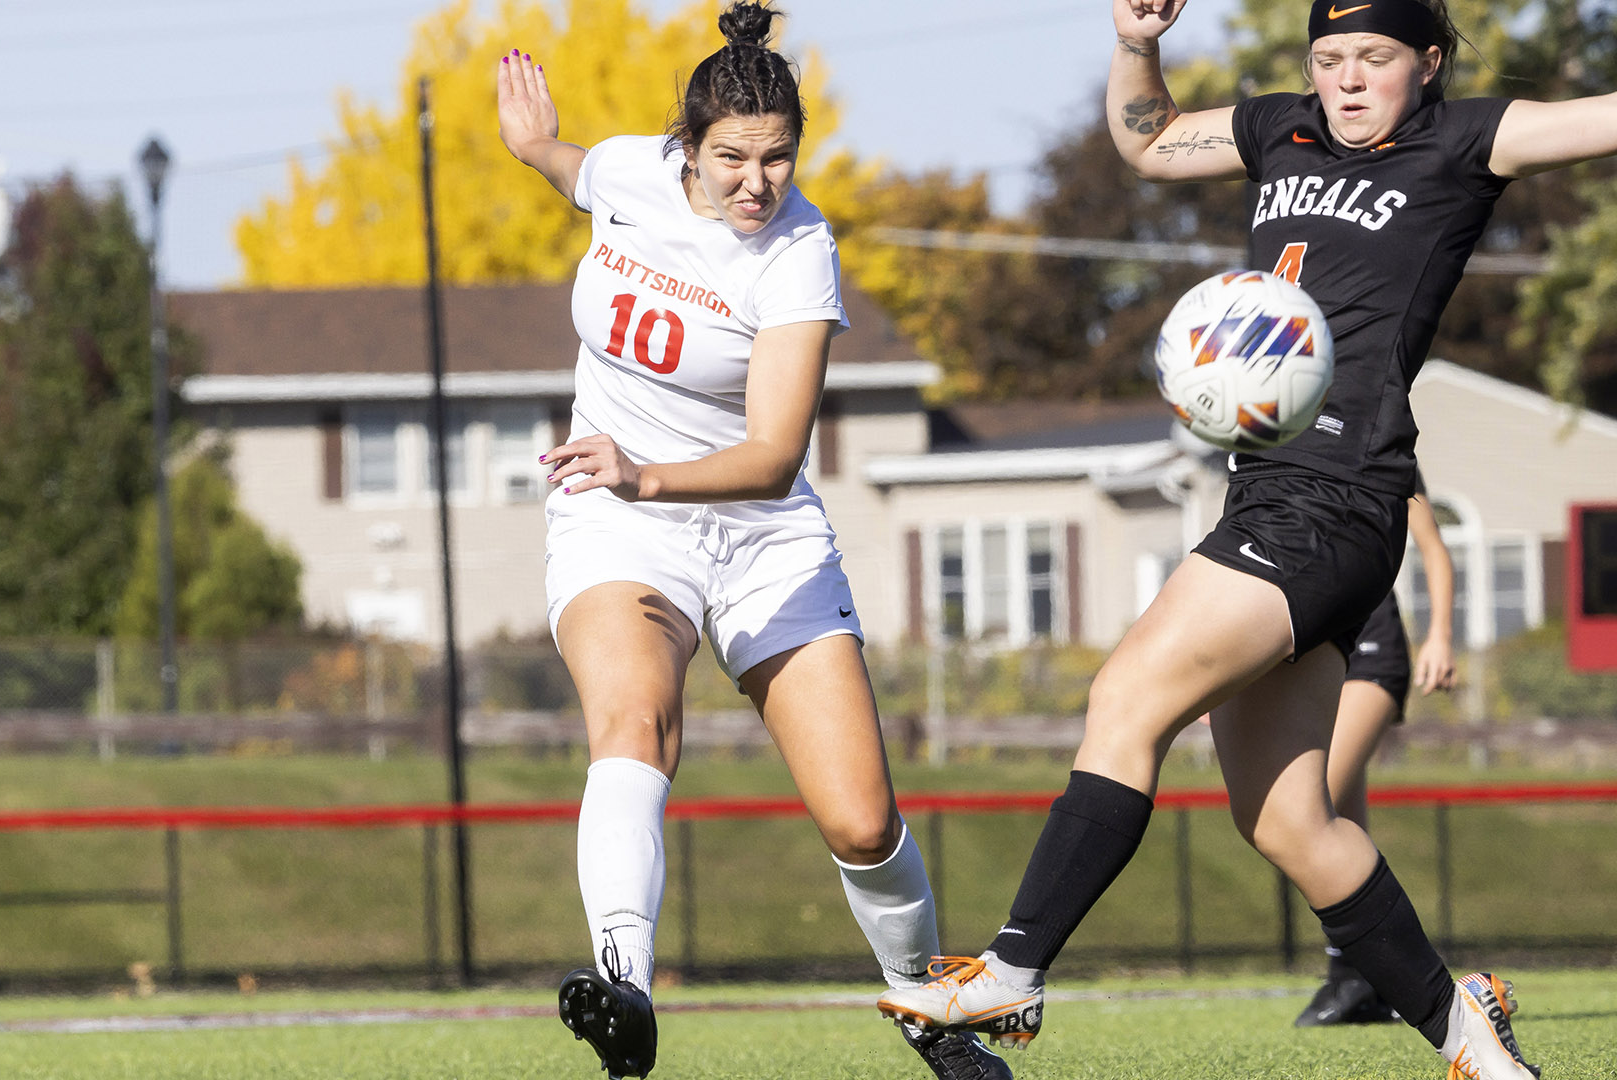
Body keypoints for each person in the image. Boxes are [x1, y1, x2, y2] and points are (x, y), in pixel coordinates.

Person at [879, 3, 1617, 1078]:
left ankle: (1013, 973)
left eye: (1376, 59)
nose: (1350, 81)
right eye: (1329, 60)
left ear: (1432, 63)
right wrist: (1137, 41)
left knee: (1126, 698)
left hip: (1337, 497)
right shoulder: (1278, 127)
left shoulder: (1466, 141)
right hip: (1275, 501)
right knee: (1286, 822)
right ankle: (1476, 1048)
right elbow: (1143, 138)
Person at [497, 5, 1008, 1079]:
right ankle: (622, 987)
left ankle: (931, 1013)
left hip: (763, 540)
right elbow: (575, 169)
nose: (755, 183)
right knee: (635, 718)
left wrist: (646, 467)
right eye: (732, 156)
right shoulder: (637, 172)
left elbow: (775, 456)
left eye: (778, 159)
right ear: (688, 146)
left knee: (864, 823)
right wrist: (533, 143)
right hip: (619, 520)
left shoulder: (801, 253)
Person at [1297, 468, 1458, 1027]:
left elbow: (1433, 548)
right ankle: (1361, 979)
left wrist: (1439, 634)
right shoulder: (1283, 441)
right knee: (1343, 819)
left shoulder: (1388, 448)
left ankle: (1375, 974)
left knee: (1316, 801)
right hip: (1309, 650)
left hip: (1371, 651)